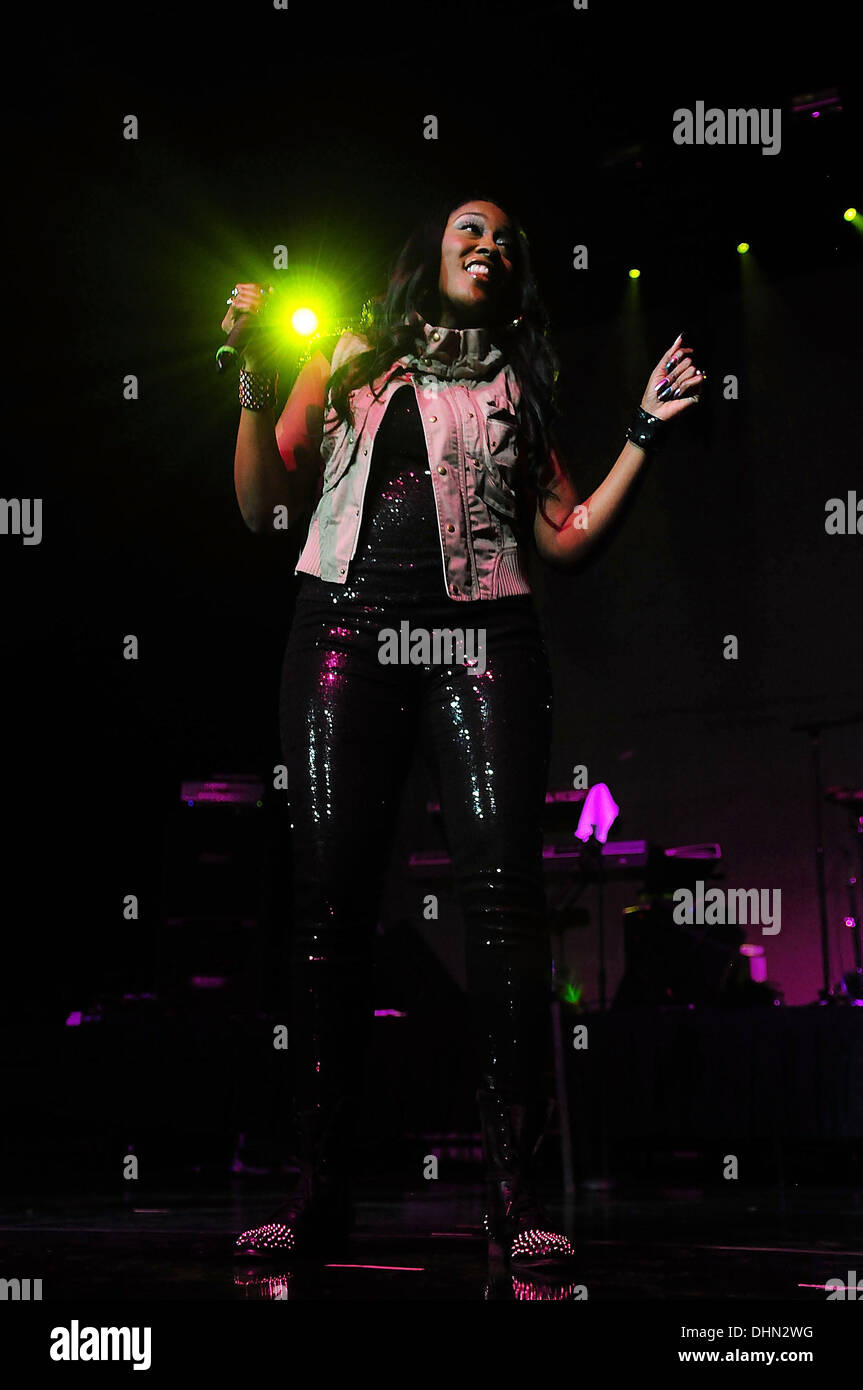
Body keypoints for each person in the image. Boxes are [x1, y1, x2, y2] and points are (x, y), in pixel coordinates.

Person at [225, 193, 704, 1276]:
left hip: (482, 634)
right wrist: (249, 373)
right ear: (428, 258)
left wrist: (640, 433)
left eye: (501, 239)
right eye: (466, 231)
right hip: (341, 625)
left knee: (501, 906)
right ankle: (316, 1195)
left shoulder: (515, 388)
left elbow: (567, 536)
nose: (485, 245)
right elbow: (263, 501)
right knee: (328, 907)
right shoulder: (349, 356)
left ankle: (511, 1196)